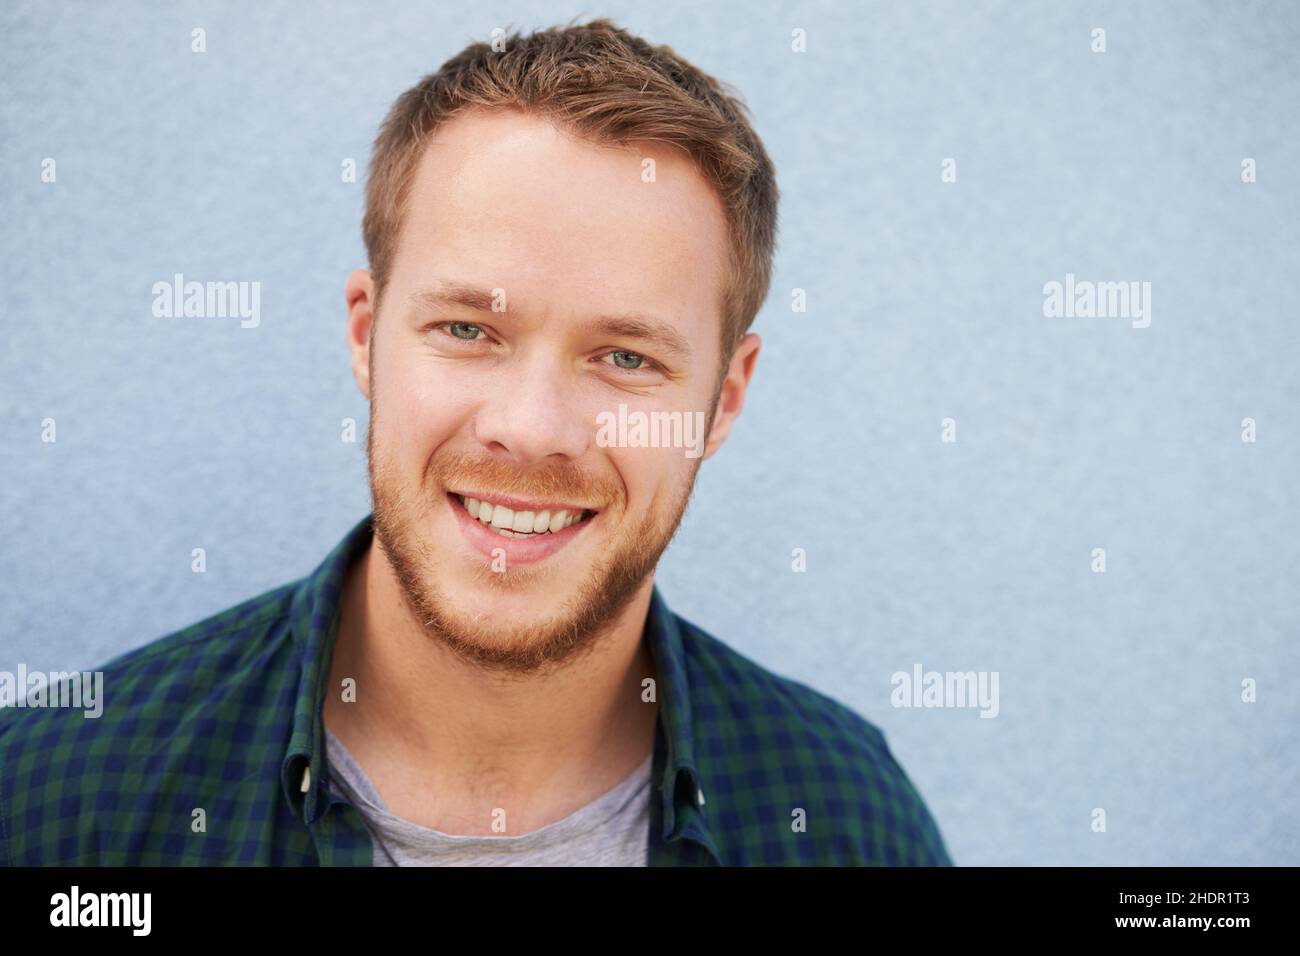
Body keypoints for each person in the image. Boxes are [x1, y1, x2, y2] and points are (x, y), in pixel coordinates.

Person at [0, 17, 951, 866]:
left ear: (724, 399)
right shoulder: (55, 801)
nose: (531, 427)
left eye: (624, 356)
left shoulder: (846, 822)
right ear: (367, 337)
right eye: (468, 330)